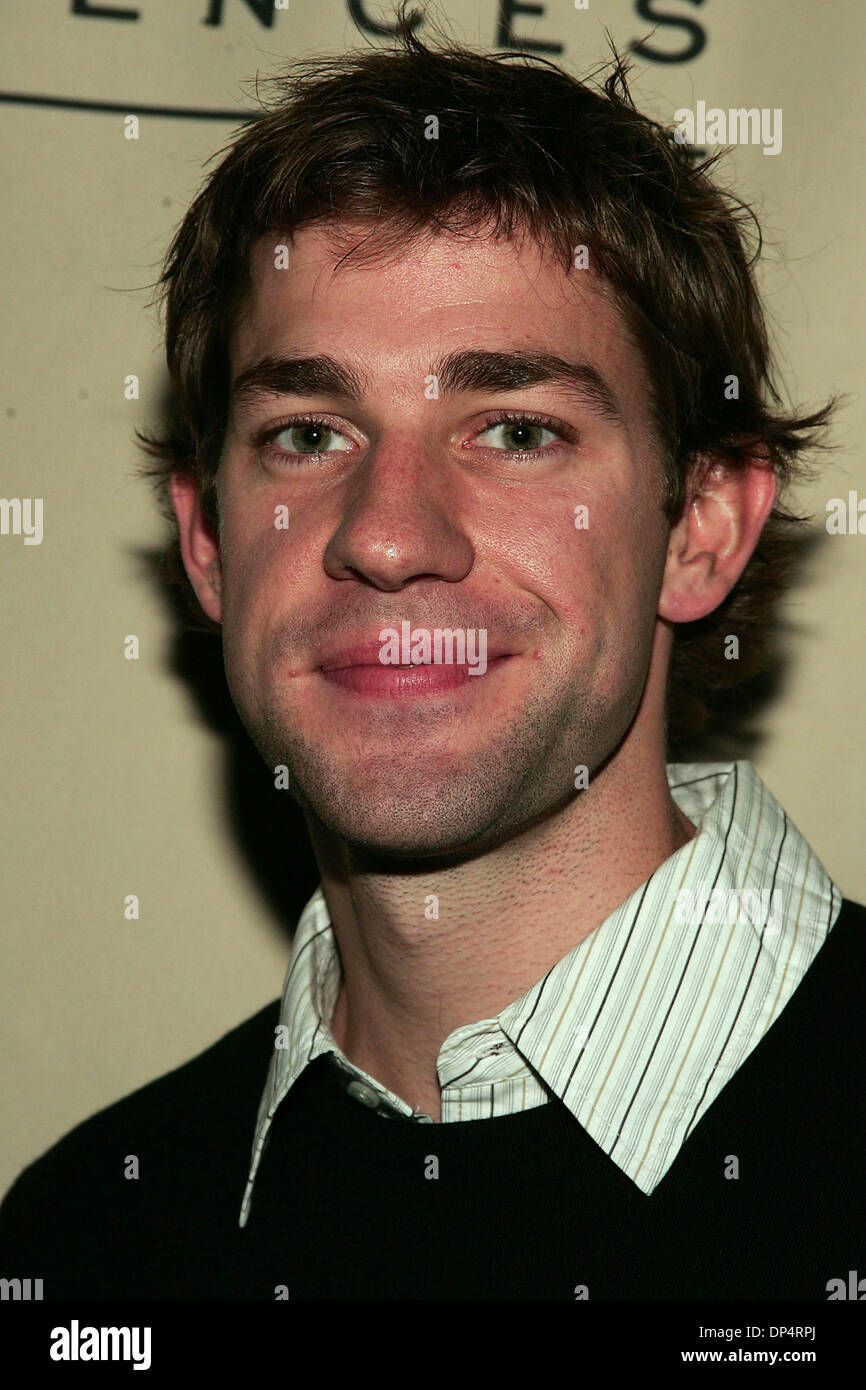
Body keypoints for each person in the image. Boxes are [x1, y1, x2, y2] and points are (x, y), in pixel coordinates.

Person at [1, 9, 862, 1301]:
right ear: (206, 541)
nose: (388, 535)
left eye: (513, 430)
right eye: (306, 432)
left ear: (700, 528)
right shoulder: (85, 1241)